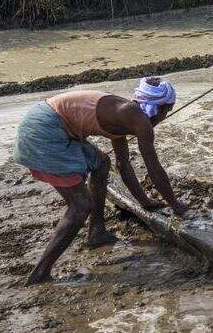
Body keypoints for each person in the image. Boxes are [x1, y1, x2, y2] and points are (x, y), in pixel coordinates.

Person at [14, 77, 187, 284]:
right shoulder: (139, 120)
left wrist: (145, 202)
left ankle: (97, 231)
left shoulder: (127, 113)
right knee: (80, 205)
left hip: (47, 123)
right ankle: (40, 273)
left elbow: (122, 164)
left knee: (102, 163)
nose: (164, 117)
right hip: (44, 130)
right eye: (166, 112)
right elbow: (154, 168)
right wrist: (176, 205)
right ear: (157, 108)